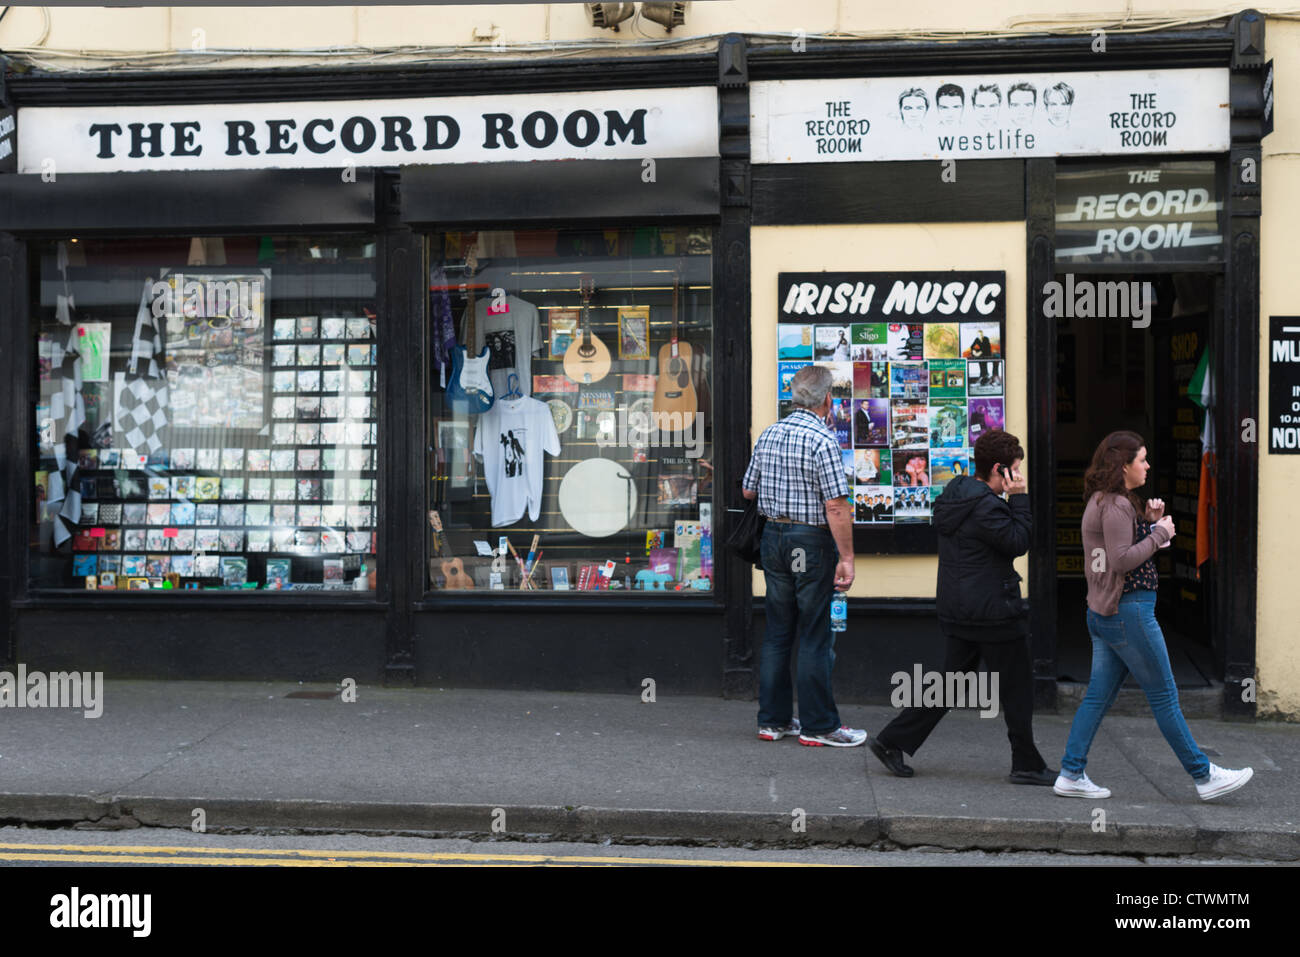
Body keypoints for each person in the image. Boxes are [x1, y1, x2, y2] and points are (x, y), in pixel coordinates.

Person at [1055, 431, 1253, 802]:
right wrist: (1160, 533)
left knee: (1097, 697)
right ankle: (1204, 774)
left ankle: (1070, 772)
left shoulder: (1104, 501)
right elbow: (1121, 560)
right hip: (1128, 614)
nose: (1147, 465)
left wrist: (1147, 524)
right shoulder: (1114, 504)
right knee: (1164, 696)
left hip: (1105, 613)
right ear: (1122, 465)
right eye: (1142, 459)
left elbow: (1117, 549)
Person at [867, 429, 1055, 784]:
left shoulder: (957, 494)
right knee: (1016, 688)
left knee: (952, 682)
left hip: (962, 607)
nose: (1019, 477)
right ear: (1001, 470)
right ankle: (1027, 764)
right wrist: (1020, 499)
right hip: (993, 611)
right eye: (1016, 470)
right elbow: (1018, 542)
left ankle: (893, 740)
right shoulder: (986, 506)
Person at [743, 364, 866, 748]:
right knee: (815, 633)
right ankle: (819, 726)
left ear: (794, 396)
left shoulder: (770, 433)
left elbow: (748, 491)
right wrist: (846, 558)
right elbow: (835, 506)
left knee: (778, 633)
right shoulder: (822, 439)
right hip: (808, 542)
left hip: (774, 539)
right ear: (828, 399)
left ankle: (773, 721)